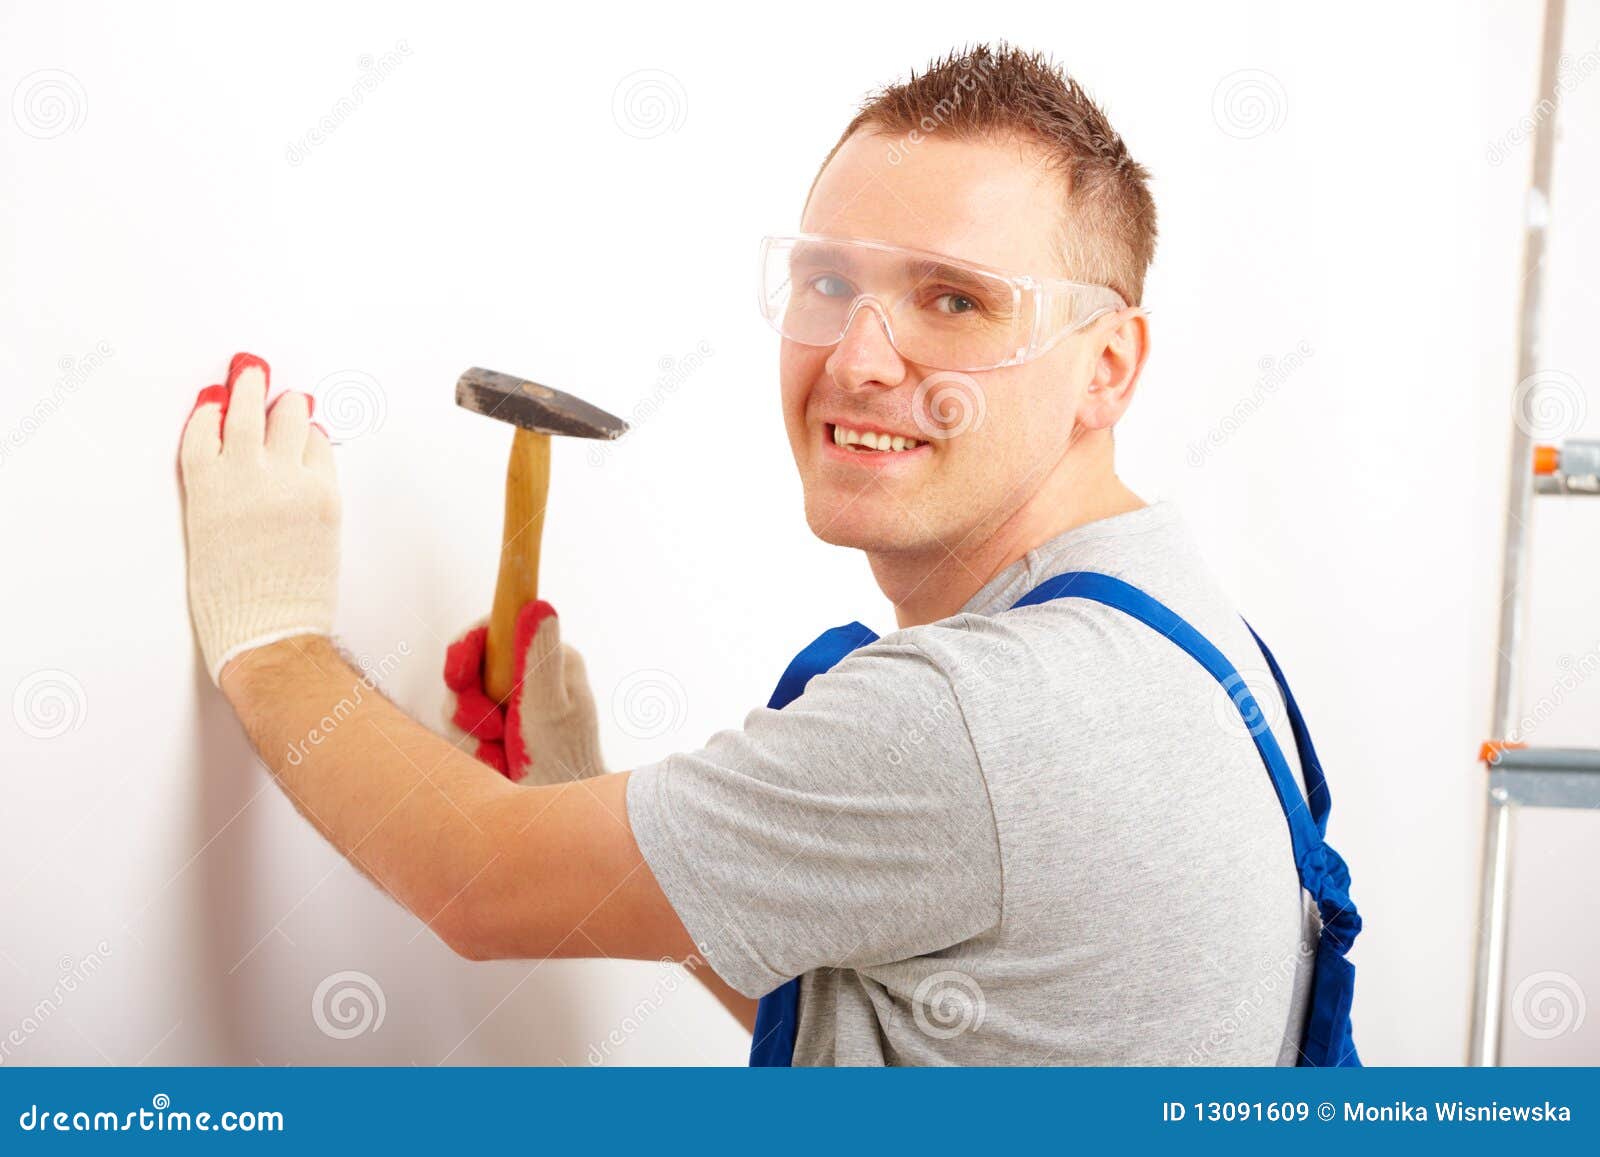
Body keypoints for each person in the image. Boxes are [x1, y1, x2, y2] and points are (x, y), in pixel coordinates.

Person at [179, 44, 1351, 1066]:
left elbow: (475, 882)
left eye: (954, 300)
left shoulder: (982, 712)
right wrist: (582, 795)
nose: (860, 359)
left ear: (1106, 365)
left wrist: (273, 640)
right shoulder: (1182, 630)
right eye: (829, 282)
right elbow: (923, 1016)